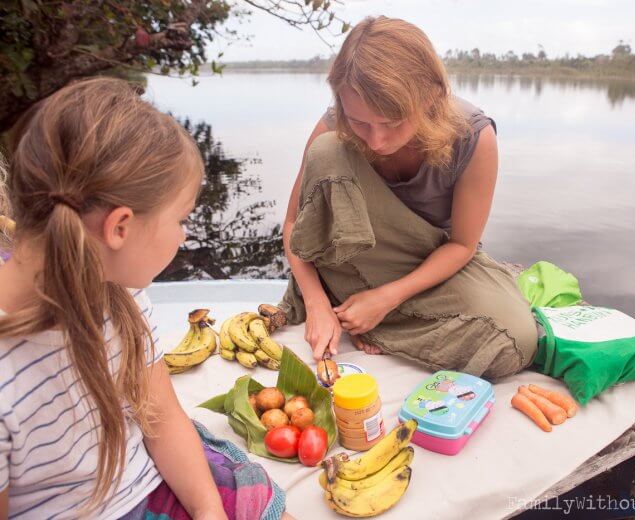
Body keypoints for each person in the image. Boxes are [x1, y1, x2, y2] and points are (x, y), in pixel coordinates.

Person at [0, 78, 289, 520]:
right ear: (120, 227)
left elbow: (162, 418)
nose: (184, 234)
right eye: (181, 219)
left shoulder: (122, 292)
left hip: (148, 477)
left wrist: (209, 511)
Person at [279, 16, 539, 380]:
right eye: (360, 122)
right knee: (327, 150)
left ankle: (370, 320)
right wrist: (316, 302)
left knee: (516, 339)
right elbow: (293, 225)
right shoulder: (336, 123)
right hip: (343, 270)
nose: (376, 141)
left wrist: (386, 298)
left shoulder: (473, 136)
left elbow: (462, 246)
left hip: (423, 271)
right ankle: (345, 307)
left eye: (393, 122)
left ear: (431, 97)